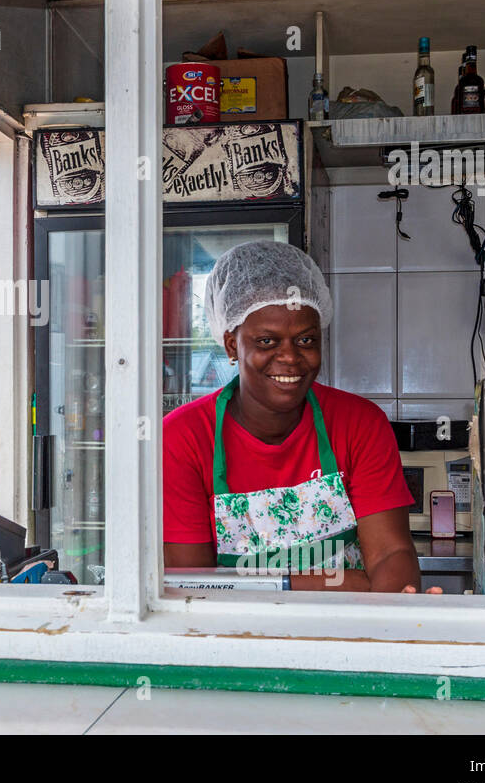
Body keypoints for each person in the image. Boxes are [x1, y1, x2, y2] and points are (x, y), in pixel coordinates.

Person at [163, 240, 439, 593]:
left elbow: (390, 554)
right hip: (235, 641)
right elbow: (194, 588)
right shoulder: (182, 438)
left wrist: (394, 605)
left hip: (350, 637)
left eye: (306, 340)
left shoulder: (360, 423)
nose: (290, 358)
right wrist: (342, 584)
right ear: (232, 344)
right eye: (267, 341)